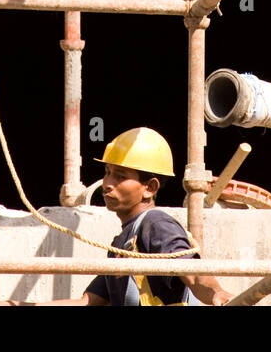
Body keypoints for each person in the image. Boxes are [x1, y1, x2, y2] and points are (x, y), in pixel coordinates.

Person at [14, 127, 232, 305]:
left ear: (150, 187)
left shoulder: (156, 224)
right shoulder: (122, 244)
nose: (107, 184)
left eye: (120, 176)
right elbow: (88, 302)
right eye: (107, 172)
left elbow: (192, 272)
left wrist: (216, 293)